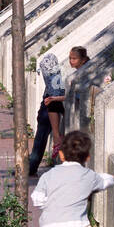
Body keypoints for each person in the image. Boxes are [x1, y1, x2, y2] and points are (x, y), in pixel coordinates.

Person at [29, 46, 89, 176]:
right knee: (43, 128)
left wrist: (55, 98)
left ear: (83, 60)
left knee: (43, 130)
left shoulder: (81, 73)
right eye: (70, 58)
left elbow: (70, 94)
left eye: (74, 58)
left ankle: (33, 164)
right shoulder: (69, 71)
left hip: (55, 102)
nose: (71, 61)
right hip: (53, 102)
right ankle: (32, 164)